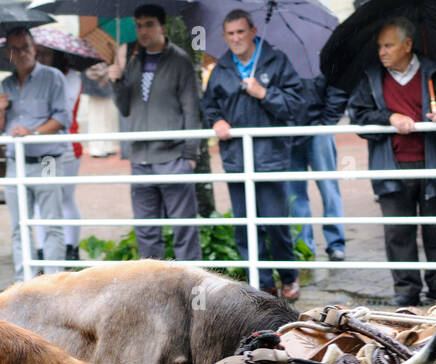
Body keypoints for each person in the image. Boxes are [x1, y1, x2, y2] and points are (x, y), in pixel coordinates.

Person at [348, 18, 436, 308]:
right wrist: (388, 118)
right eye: (380, 45)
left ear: (407, 45)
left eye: (389, 45)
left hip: (434, 166)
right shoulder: (371, 77)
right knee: (398, 232)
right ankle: (406, 290)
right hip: (390, 168)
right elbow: (358, 117)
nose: (382, 51)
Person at [201, 9, 305, 298]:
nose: (236, 38)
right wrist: (216, 121)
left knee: (274, 222)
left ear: (253, 31)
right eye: (230, 34)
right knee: (245, 224)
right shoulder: (221, 68)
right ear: (225, 36)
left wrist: (264, 93)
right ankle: (261, 282)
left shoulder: (276, 60)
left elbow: (296, 106)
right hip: (237, 159)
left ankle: (288, 277)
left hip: (270, 157)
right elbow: (209, 106)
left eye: (241, 32)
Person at [107, 4, 203, 262]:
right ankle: (153, 292)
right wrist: (116, 82)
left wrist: (190, 155)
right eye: (138, 25)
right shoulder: (133, 61)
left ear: (163, 26)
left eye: (149, 24)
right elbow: (126, 107)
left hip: (173, 158)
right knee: (147, 232)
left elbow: (192, 110)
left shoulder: (180, 60)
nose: (142, 30)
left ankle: (192, 291)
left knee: (184, 230)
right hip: (140, 159)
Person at [0, 28, 70, 284]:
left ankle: (53, 284)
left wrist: (32, 132)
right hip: (16, 164)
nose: (22, 53)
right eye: (15, 49)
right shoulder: (5, 85)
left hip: (47, 160)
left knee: (52, 224)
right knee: (19, 227)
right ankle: (22, 283)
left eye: (25, 46)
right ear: (8, 53)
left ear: (34, 47)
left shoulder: (53, 77)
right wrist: (1, 110)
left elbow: (62, 118)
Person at [288, 76, 349, 262]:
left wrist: (327, 121)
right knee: (294, 194)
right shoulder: (275, 55)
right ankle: (303, 246)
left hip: (319, 129)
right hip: (289, 131)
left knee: (329, 188)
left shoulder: (320, 55)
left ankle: (336, 243)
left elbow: (338, 88)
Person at [34, 47, 83, 262]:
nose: (41, 58)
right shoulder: (36, 78)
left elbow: (65, 108)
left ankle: (71, 247)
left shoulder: (71, 77)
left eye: (45, 53)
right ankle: (44, 249)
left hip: (67, 147)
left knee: (65, 198)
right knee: (44, 197)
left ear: (57, 54)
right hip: (44, 148)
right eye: (38, 53)